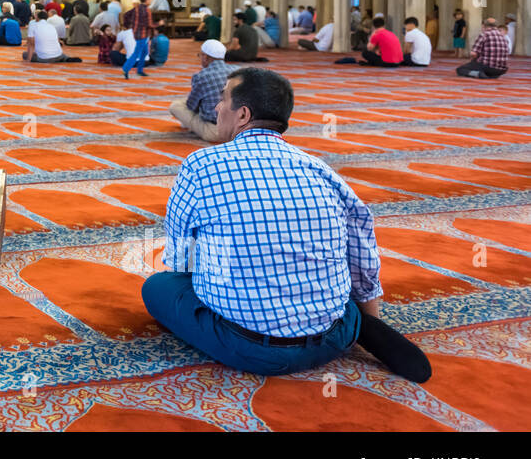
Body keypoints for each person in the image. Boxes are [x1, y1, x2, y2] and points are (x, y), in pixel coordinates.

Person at [142, 68, 430, 383]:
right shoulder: (321, 169)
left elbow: (181, 260)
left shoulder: (200, 165)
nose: (215, 108)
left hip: (253, 349)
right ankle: (364, 327)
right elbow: (361, 248)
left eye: (222, 100)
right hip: (333, 337)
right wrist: (371, 316)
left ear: (243, 114)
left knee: (159, 287)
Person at [168, 39, 230, 142]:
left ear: (205, 57)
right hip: (238, 129)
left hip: (215, 131)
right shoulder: (238, 71)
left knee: (176, 106)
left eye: (200, 55)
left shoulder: (201, 76)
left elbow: (191, 106)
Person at [121, 0, 155, 78]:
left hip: (137, 33)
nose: (151, 1)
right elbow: (150, 24)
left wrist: (127, 25)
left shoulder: (137, 8)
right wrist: (160, 24)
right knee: (136, 53)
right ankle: (126, 68)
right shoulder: (147, 10)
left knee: (144, 52)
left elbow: (126, 15)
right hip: (143, 34)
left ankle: (140, 70)